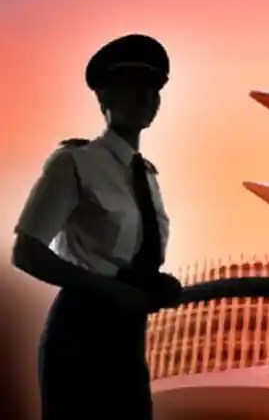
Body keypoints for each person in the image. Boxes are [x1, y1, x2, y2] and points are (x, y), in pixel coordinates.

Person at [11, 34, 183, 419]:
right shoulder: (75, 163)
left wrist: (155, 284)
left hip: (128, 335)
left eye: (153, 89)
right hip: (81, 332)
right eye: (132, 86)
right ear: (103, 96)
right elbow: (27, 253)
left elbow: (128, 259)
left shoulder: (147, 176)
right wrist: (110, 290)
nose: (145, 97)